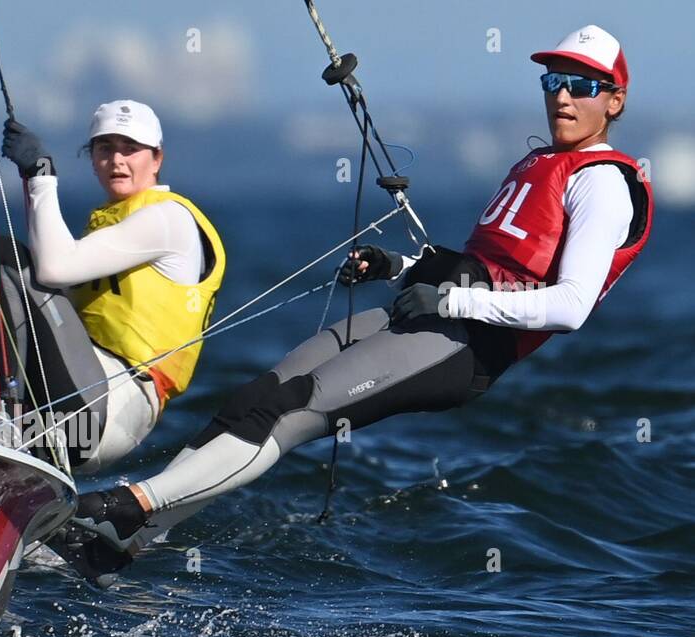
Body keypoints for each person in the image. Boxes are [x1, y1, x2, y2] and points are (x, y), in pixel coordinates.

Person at [71, 25, 653, 577]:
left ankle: (129, 504)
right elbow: (484, 263)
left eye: (582, 85)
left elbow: (572, 307)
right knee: (256, 397)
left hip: (466, 346)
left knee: (293, 411)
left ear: (615, 102)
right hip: (430, 312)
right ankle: (123, 546)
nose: (563, 97)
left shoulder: (602, 182)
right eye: (553, 81)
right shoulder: (542, 164)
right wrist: (396, 267)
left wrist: (452, 305)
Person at [0, 100, 226, 472]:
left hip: (102, 417)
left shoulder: (169, 217)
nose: (117, 160)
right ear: (92, 157)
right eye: (105, 149)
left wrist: (41, 174)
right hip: (71, 408)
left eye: (130, 149)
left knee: (3, 257)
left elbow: (54, 268)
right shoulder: (110, 224)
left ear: (157, 159)